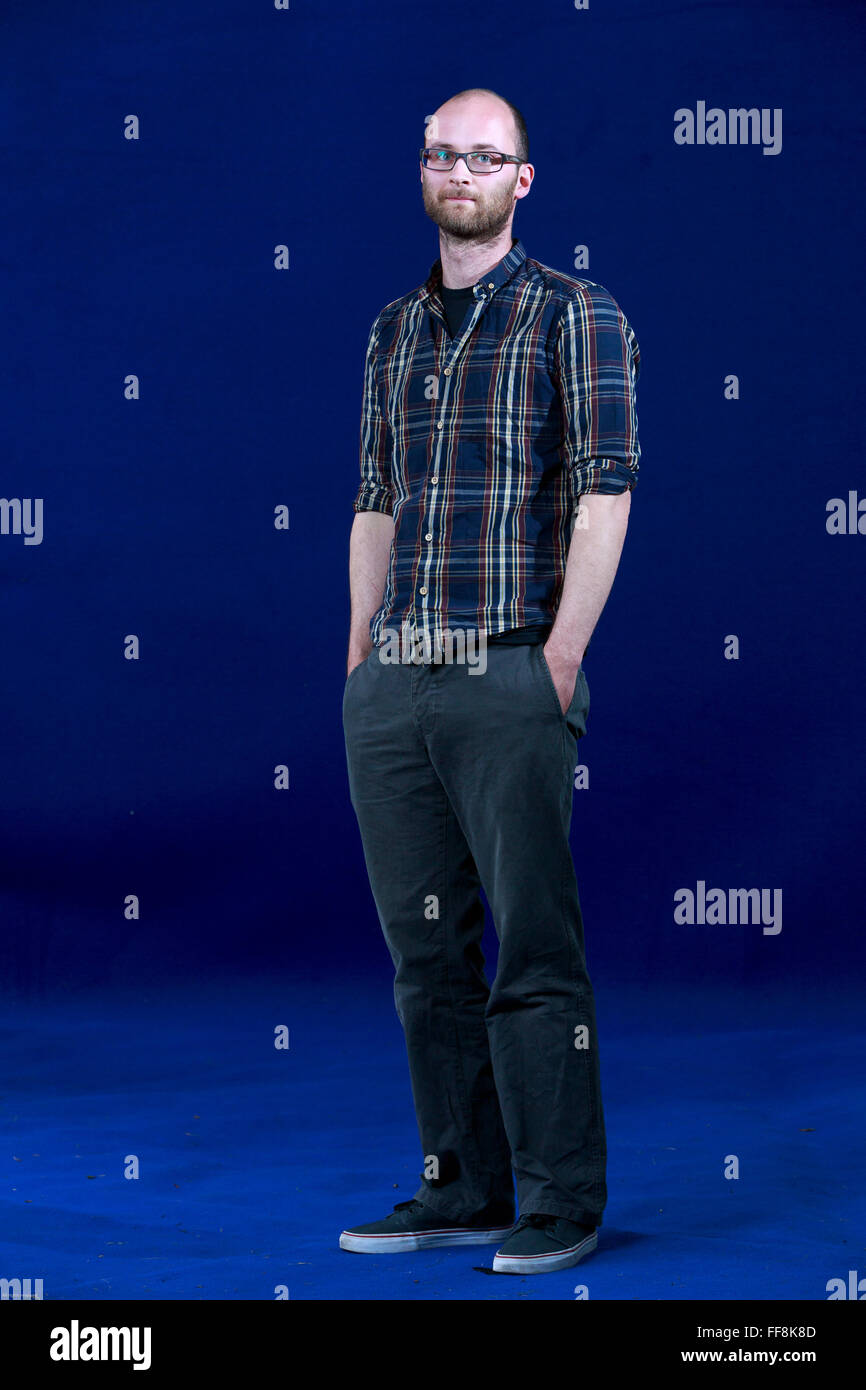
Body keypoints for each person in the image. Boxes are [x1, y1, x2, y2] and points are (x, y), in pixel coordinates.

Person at [339, 87, 640, 1275]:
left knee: (533, 951)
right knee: (425, 954)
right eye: (439, 153)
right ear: (422, 172)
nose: (457, 169)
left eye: (483, 155)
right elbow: (372, 498)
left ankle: (561, 1199)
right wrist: (361, 648)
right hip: (395, 681)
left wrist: (557, 659)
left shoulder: (576, 312)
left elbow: (606, 491)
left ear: (522, 179)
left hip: (511, 665)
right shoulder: (389, 332)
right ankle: (461, 1184)